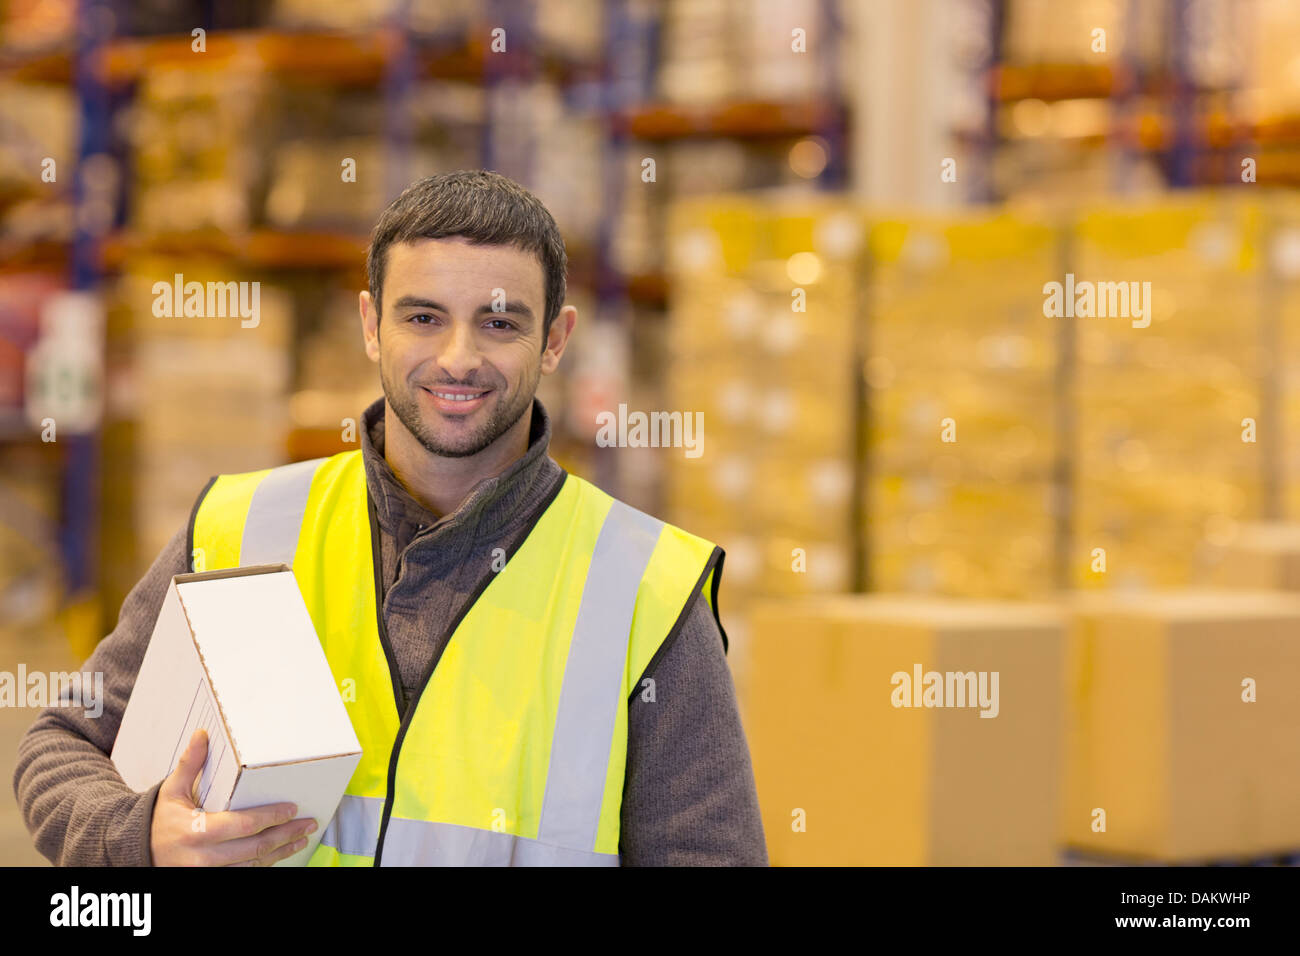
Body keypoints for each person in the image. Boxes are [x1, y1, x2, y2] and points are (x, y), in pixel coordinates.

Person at [13, 169, 767, 866]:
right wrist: (140, 836)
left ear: (555, 341)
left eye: (500, 325)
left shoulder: (644, 588)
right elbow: (61, 743)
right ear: (372, 325)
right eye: (425, 317)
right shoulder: (239, 527)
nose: (458, 358)